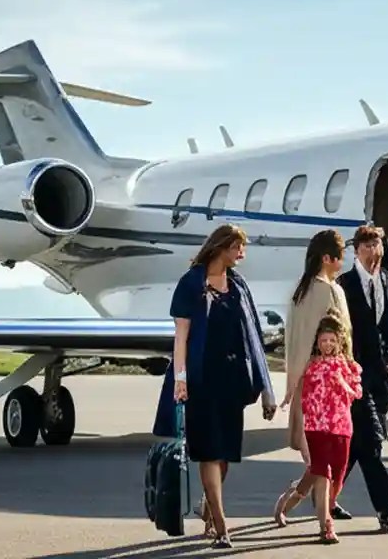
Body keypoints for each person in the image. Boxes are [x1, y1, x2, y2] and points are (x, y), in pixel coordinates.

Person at [151, 223, 277, 549]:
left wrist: (266, 389)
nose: (242, 253)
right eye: (237, 247)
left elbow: (254, 337)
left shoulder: (238, 284)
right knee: (209, 452)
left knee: (225, 456)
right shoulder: (191, 283)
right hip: (201, 382)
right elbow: (181, 337)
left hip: (232, 382)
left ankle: (209, 507)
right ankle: (221, 527)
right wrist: (180, 380)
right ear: (221, 247)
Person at [334, 224, 388, 530]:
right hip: (354, 376)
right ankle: (386, 508)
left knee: (358, 445)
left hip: (381, 376)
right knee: (371, 442)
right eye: (366, 246)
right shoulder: (344, 285)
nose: (372, 251)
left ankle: (323, 493)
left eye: (376, 245)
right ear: (356, 251)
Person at [271, 229, 349, 525]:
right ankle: (324, 520)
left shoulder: (300, 292)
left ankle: (293, 502)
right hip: (327, 388)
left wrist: (293, 385)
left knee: (318, 460)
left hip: (305, 382)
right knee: (323, 461)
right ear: (328, 258)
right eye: (341, 256)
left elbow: (295, 342)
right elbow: (343, 341)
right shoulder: (330, 292)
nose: (343, 262)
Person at [289, 310, 362, 544]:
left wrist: (342, 383)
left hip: (341, 427)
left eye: (331, 340)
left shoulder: (348, 366)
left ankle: (319, 503)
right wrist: (306, 419)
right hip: (316, 428)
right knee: (323, 474)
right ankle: (326, 525)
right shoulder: (312, 365)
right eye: (323, 340)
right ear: (317, 342)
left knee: (338, 475)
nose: (327, 345)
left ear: (339, 342)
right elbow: (305, 397)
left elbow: (356, 393)